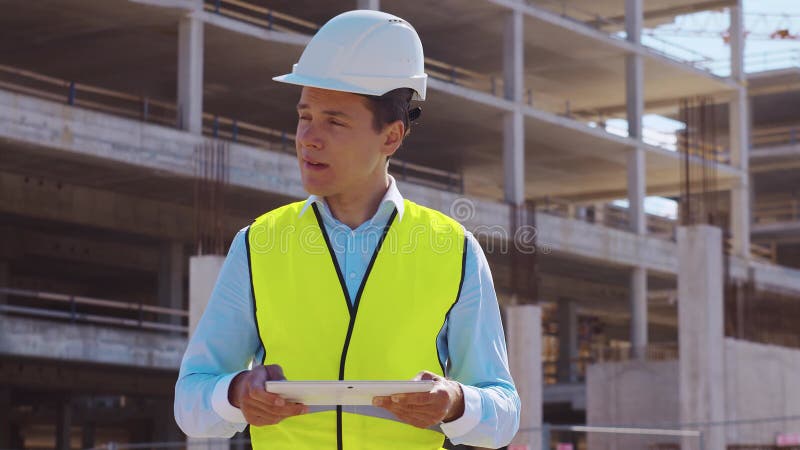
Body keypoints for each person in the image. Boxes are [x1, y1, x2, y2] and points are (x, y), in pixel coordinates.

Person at [174, 9, 520, 450]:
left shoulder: (454, 251)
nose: (308, 138)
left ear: (391, 137)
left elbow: (504, 412)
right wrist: (236, 394)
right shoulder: (259, 244)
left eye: (334, 121)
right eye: (304, 117)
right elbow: (190, 403)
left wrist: (455, 402)